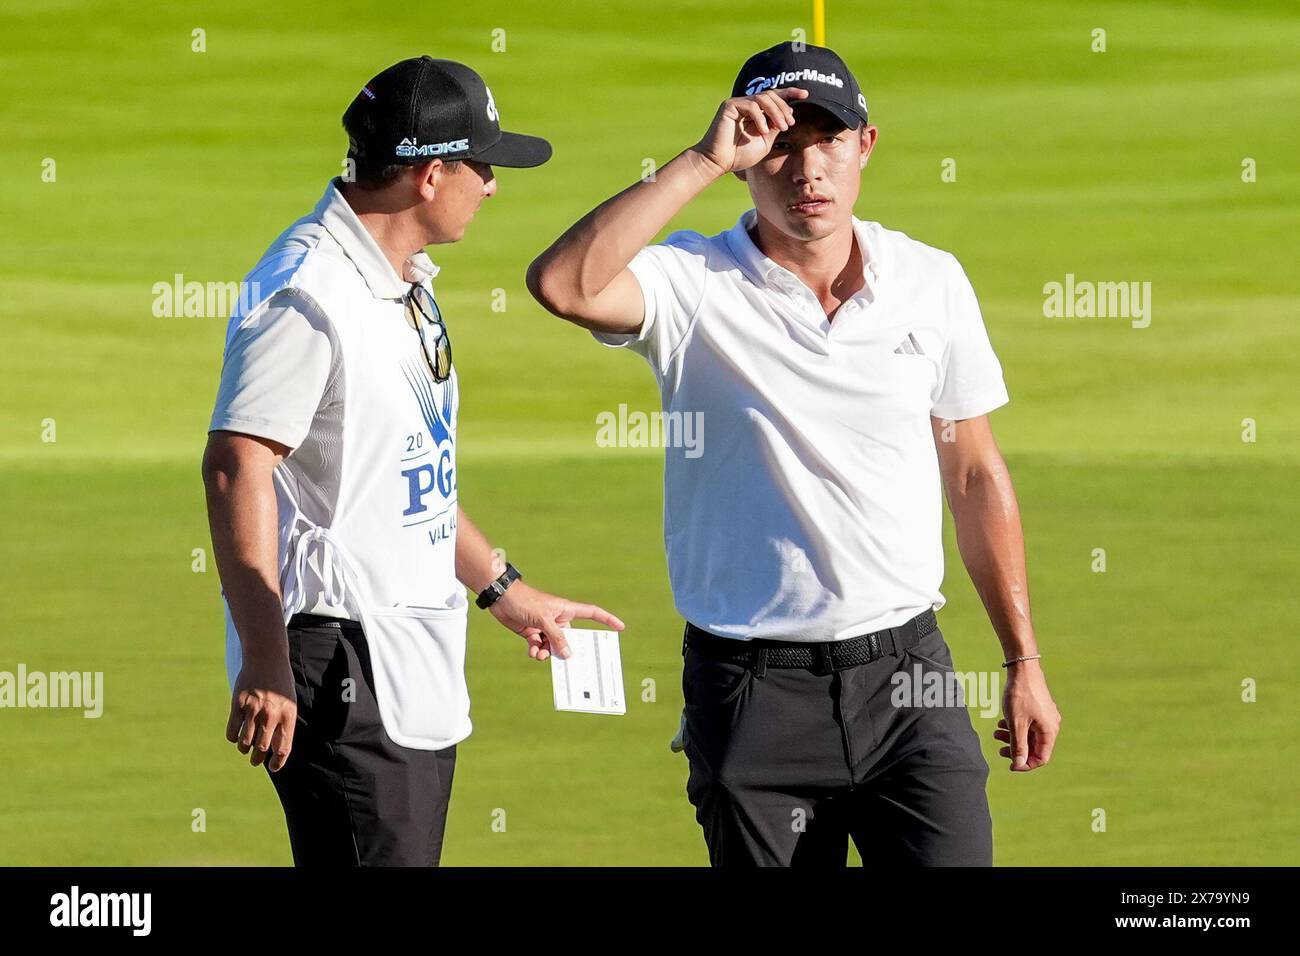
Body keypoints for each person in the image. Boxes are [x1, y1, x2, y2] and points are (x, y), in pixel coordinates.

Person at [527, 41, 1060, 866]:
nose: (806, 167)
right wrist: (703, 159)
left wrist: (1022, 657)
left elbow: (975, 472)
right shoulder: (691, 283)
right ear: (747, 160)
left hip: (907, 674)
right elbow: (564, 284)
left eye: (828, 139)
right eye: (778, 142)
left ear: (865, 147)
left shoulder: (931, 280)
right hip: (750, 689)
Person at [202, 55, 623, 867]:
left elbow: (404, 471)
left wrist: (503, 587)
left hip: (405, 655)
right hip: (340, 664)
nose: (494, 185)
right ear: (432, 176)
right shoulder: (308, 293)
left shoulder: (402, 284)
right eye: (484, 166)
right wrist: (262, 659)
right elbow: (236, 463)